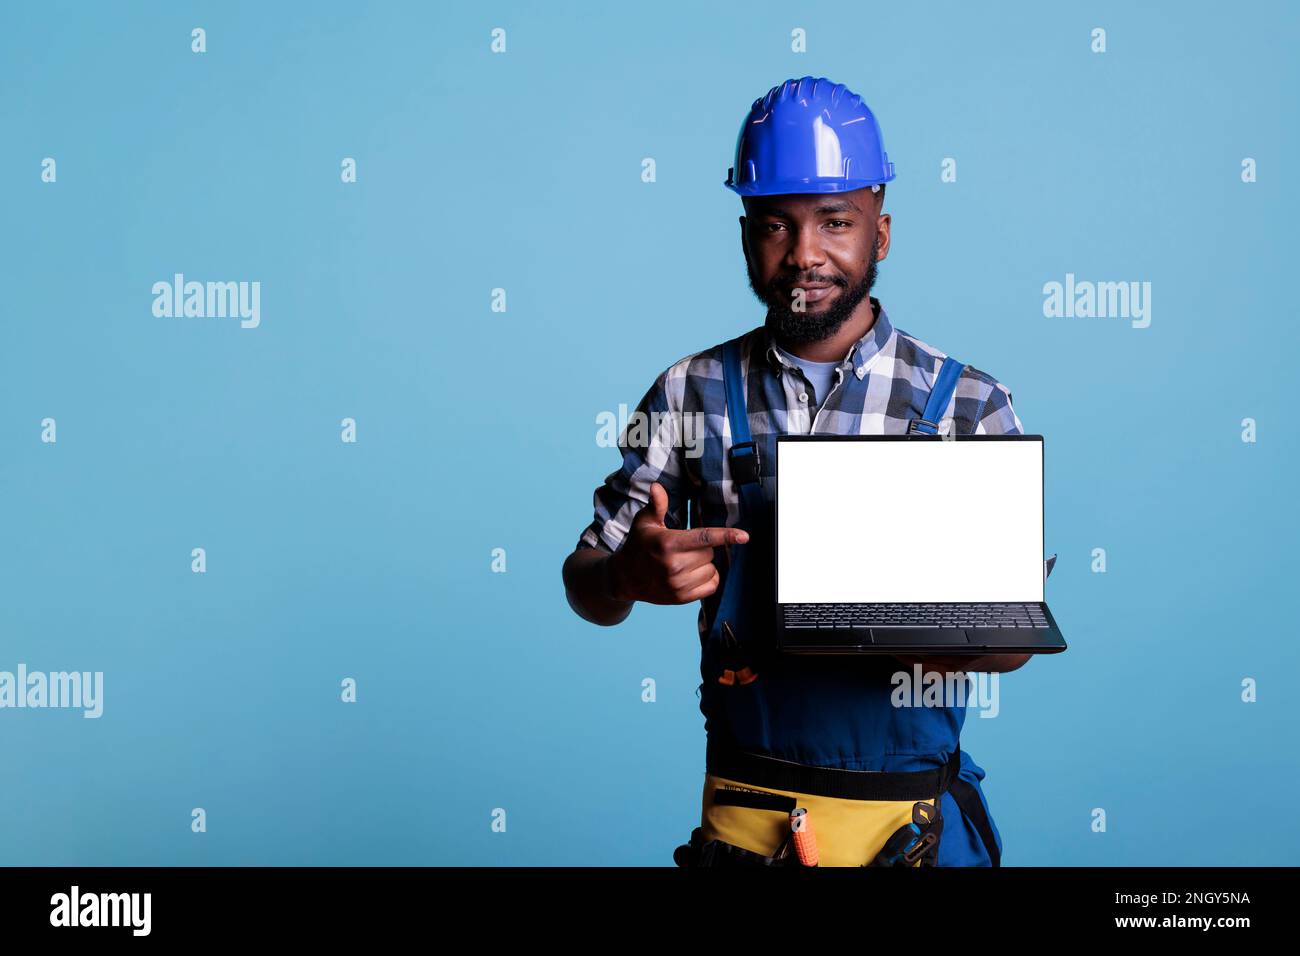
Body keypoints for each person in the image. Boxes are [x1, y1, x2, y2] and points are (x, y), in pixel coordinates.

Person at [562, 76, 1029, 867]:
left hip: (908, 834)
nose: (804, 253)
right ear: (747, 234)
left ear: (881, 233)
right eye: (776, 225)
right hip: (747, 828)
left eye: (836, 222)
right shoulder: (689, 392)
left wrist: (964, 636)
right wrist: (625, 579)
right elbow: (586, 583)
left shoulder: (969, 406)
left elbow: (1013, 641)